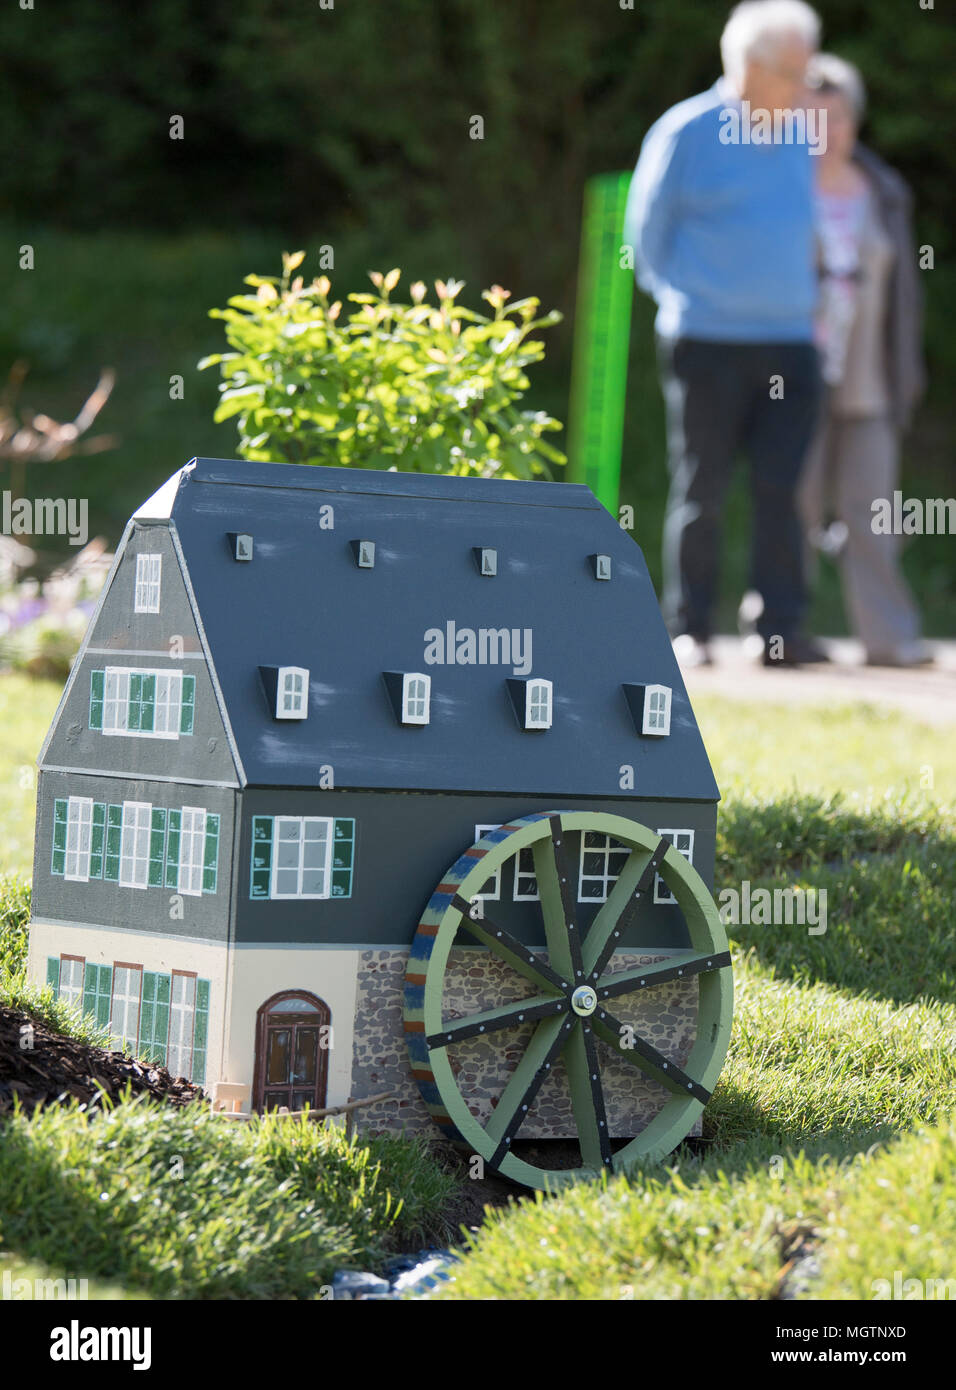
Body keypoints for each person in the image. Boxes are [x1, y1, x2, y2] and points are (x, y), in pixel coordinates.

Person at [625, 0, 826, 667]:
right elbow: (644, 239)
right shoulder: (686, 131)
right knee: (701, 486)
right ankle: (691, 629)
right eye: (795, 72)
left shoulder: (803, 132)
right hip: (707, 341)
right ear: (748, 66)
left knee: (782, 489)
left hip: (792, 342)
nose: (805, 87)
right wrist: (691, 301)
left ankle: (780, 630)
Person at [799, 54, 931, 667]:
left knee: (874, 510)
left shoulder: (885, 193)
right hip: (792, 374)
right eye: (815, 119)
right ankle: (779, 631)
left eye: (839, 118)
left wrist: (909, 370)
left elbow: (905, 294)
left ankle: (888, 640)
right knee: (794, 503)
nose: (829, 132)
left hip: (869, 379)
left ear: (855, 121)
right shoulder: (782, 187)